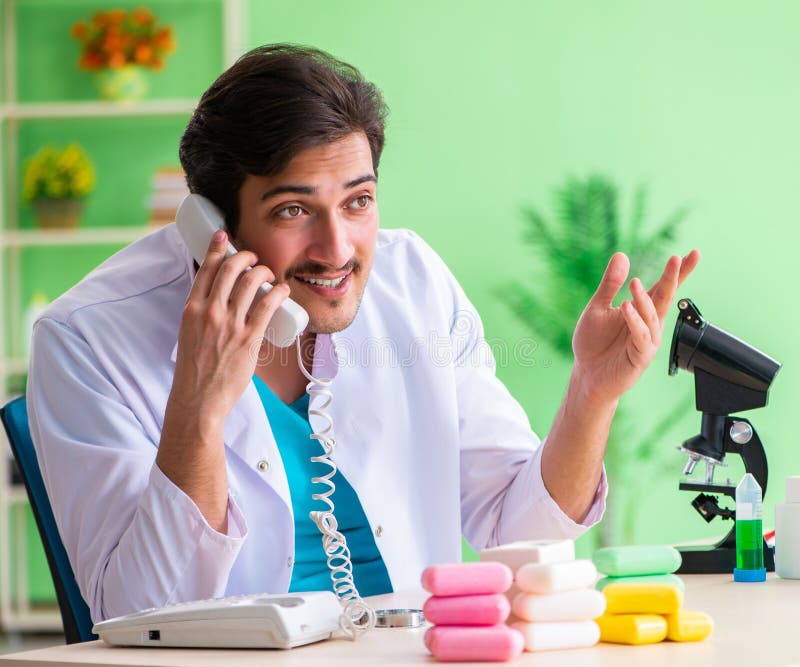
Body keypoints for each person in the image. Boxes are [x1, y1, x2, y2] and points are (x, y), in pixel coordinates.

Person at [27, 44, 699, 623]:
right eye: (294, 209)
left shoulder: (414, 284)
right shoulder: (87, 339)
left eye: (358, 201)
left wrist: (590, 393)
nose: (337, 248)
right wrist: (198, 409)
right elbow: (136, 620)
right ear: (211, 225)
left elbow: (514, 531)